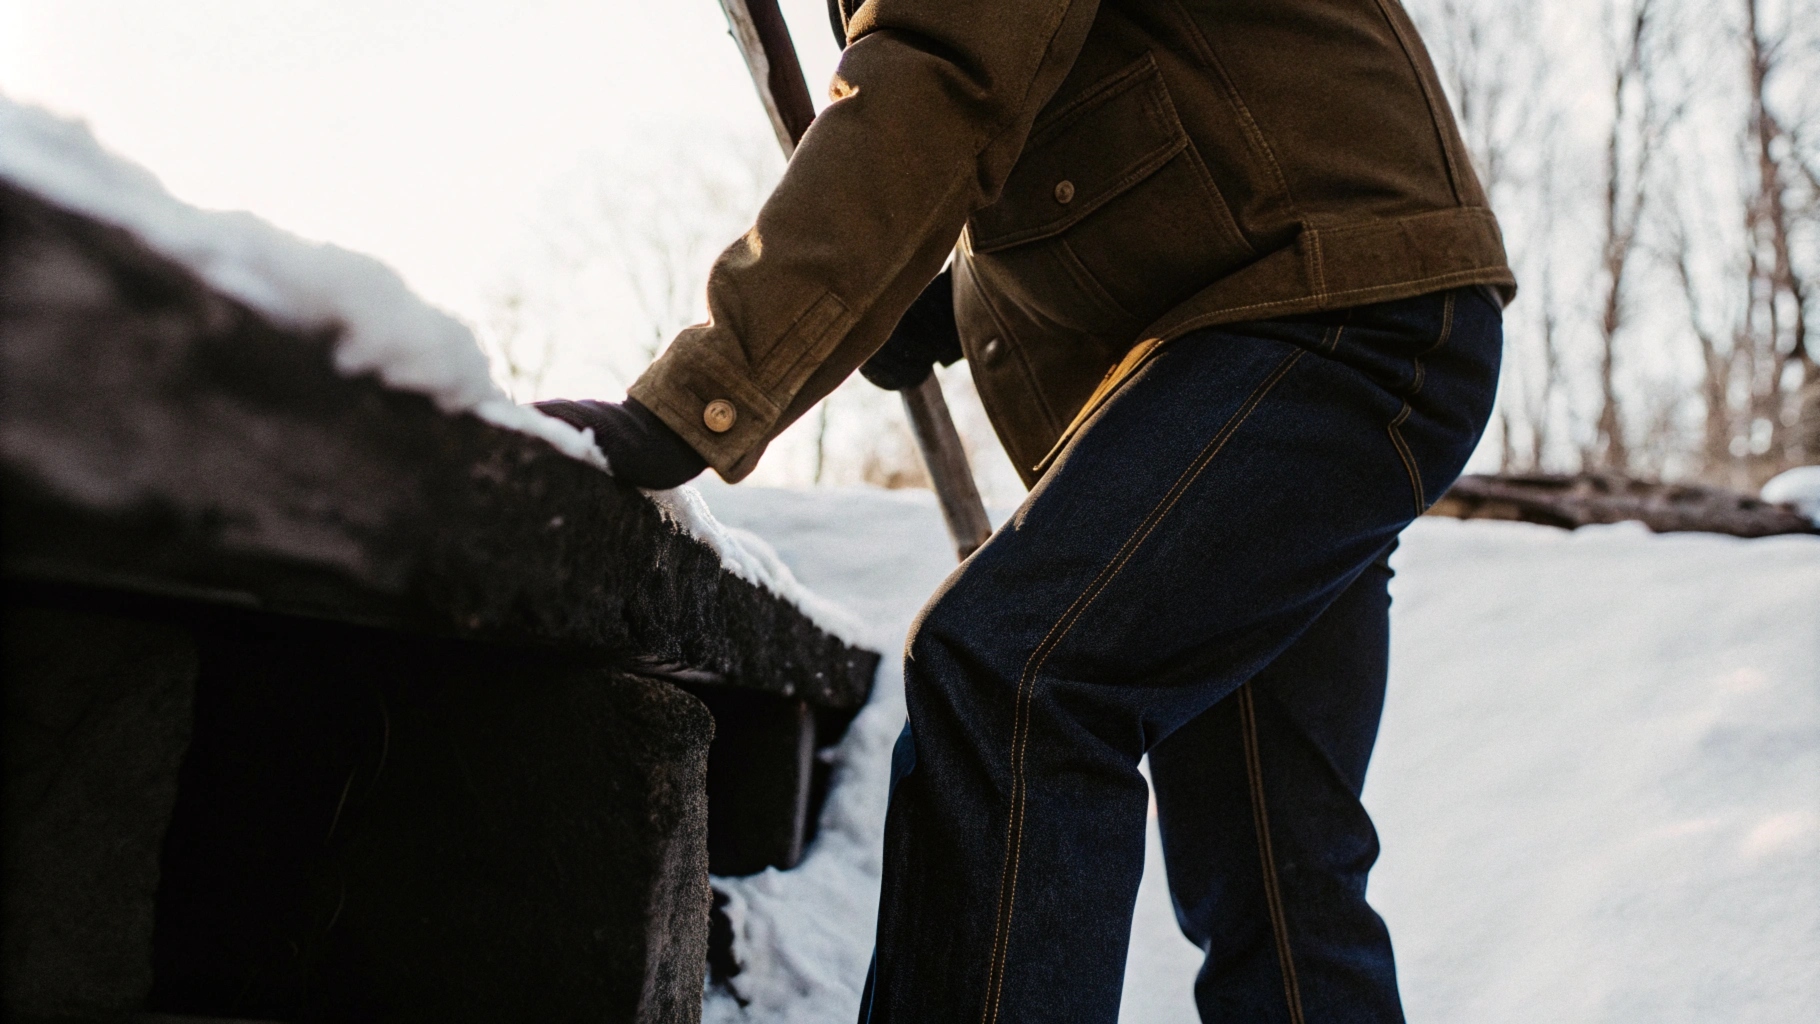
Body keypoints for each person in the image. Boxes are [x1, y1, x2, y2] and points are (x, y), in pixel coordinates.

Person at [537, 1, 1514, 1020]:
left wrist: (706, 393)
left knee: (1010, 676)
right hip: (1313, 310)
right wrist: (947, 291)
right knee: (1274, 868)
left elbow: (947, 75)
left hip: (1314, 314)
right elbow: (1094, 103)